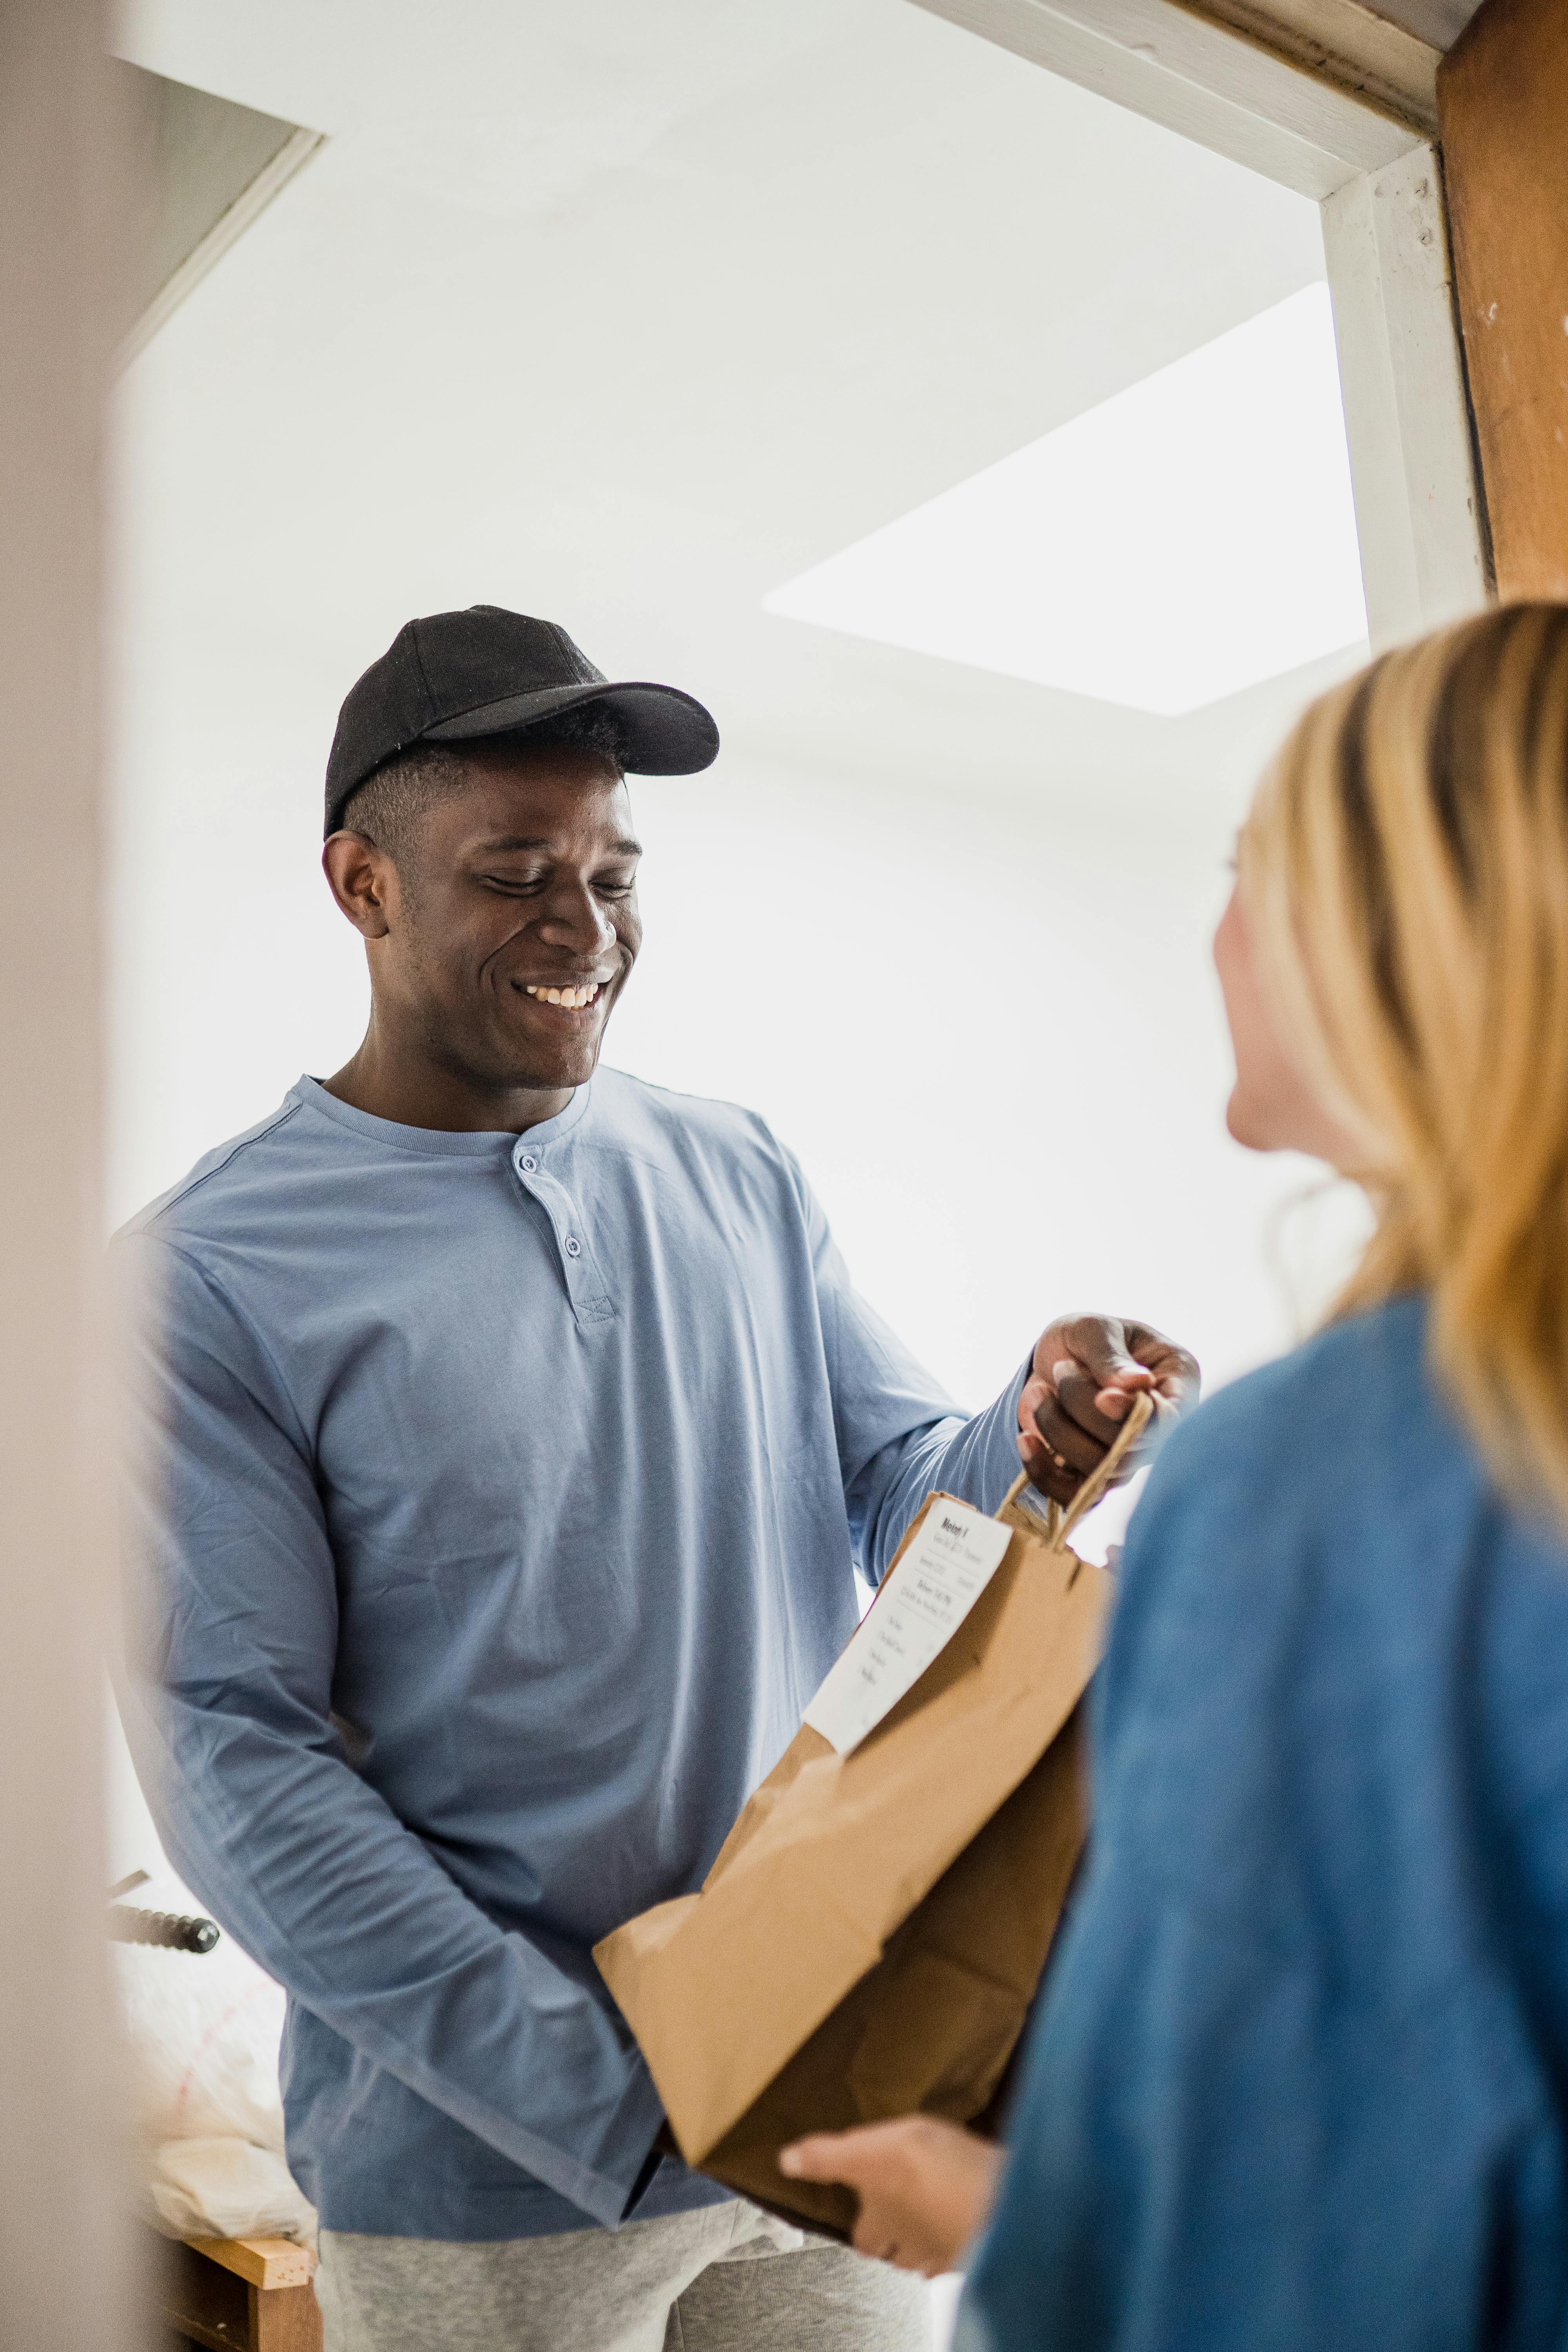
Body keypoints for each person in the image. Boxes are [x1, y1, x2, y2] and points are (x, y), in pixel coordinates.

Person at [115, 603, 1200, 2352]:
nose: (586, 926)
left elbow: (896, 1492)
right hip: (491, 2186)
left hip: (823, 2086)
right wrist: (618, 2088)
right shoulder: (201, 1278)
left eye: (615, 873)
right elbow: (238, 1768)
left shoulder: (734, 1167)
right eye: (519, 870)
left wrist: (1039, 1427)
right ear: (362, 885)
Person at [783, 602, 1568, 2351]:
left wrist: (1010, 2210)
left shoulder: (1306, 1482)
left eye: (1245, 868)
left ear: (1398, 928)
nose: (1213, 934)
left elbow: (1264, 2235)